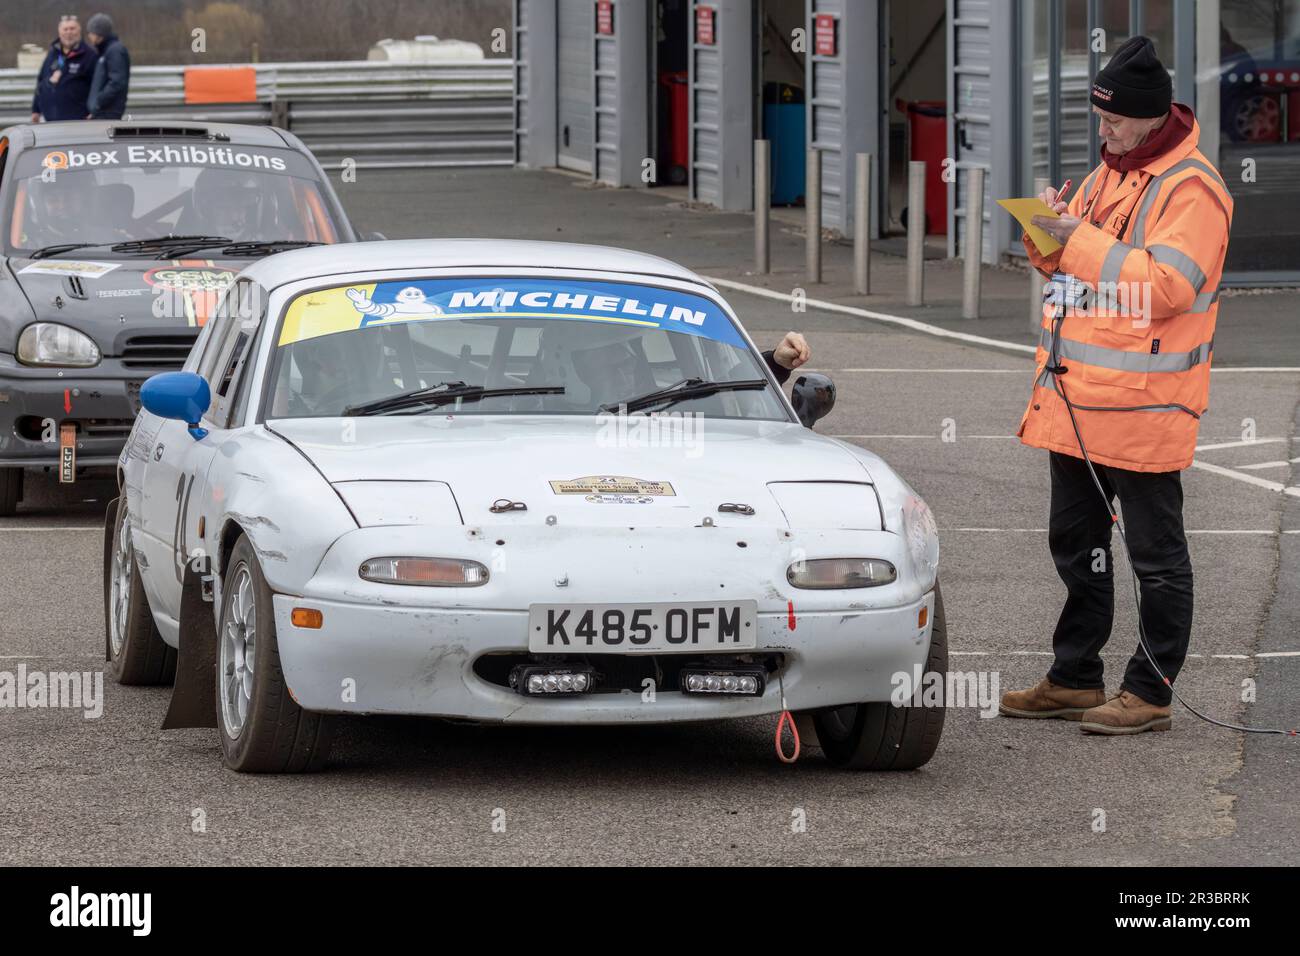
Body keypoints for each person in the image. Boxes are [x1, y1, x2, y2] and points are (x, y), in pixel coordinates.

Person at [999, 37, 1233, 735]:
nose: (1102, 132)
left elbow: (1166, 286)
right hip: (1077, 399)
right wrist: (1049, 235)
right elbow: (1078, 273)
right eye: (1099, 119)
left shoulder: (1193, 188)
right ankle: (1075, 677)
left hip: (1143, 408)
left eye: (1113, 121)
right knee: (1076, 545)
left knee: (1156, 559)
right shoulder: (1111, 173)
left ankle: (1150, 692)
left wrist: (1080, 238)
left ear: (1150, 116)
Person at [30, 15, 98, 123]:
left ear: (79, 31)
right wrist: (35, 110)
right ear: (59, 32)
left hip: (79, 121)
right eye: (65, 29)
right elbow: (41, 81)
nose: (69, 32)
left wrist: (95, 111)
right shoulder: (52, 53)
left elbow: (97, 86)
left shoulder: (90, 55)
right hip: (50, 120)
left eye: (72, 28)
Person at [86, 13, 130, 120]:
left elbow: (117, 82)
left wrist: (98, 103)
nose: (89, 36)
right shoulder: (105, 51)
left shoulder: (115, 50)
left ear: (99, 34)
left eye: (91, 32)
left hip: (108, 112)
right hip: (102, 111)